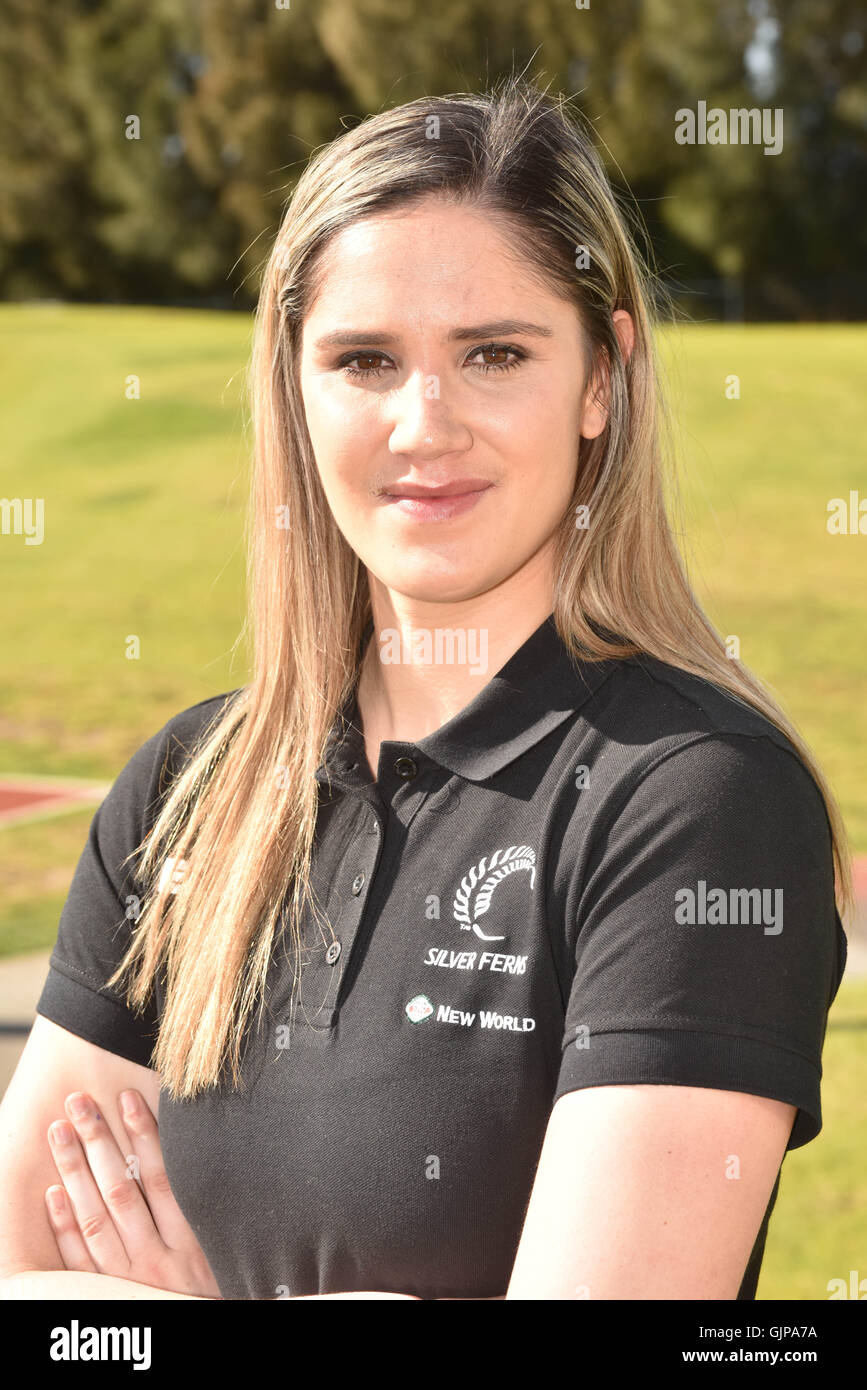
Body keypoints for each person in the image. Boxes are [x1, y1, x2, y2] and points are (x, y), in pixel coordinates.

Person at [0, 75, 850, 1301]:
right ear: (296, 385)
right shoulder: (187, 795)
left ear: (602, 377)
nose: (424, 422)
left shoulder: (698, 803)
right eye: (363, 359)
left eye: (494, 353)